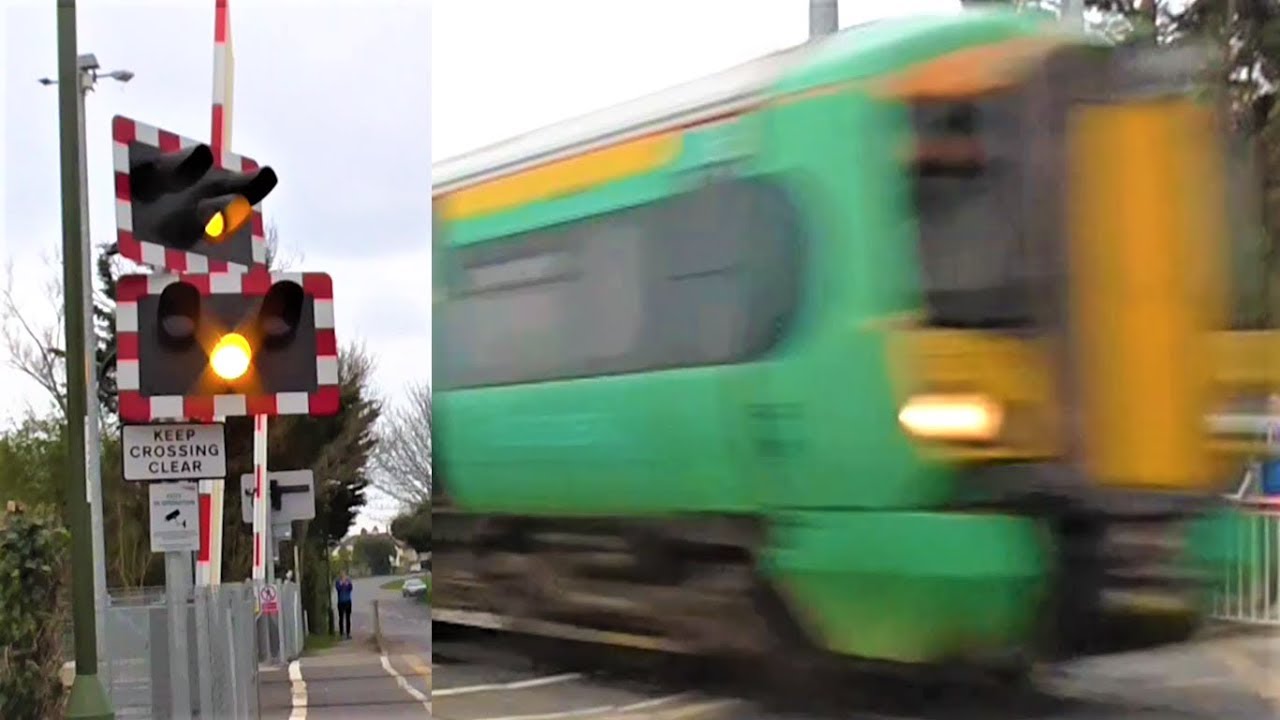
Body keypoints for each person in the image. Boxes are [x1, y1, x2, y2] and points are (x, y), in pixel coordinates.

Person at [335, 572, 354, 639]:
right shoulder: (338, 582)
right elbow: (338, 589)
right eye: (342, 576)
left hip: (348, 602)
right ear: (340, 576)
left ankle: (348, 633)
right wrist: (341, 584)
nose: (343, 577)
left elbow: (351, 588)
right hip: (341, 602)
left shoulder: (348, 582)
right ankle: (341, 633)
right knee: (341, 618)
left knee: (348, 618)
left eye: (344, 576)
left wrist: (347, 584)